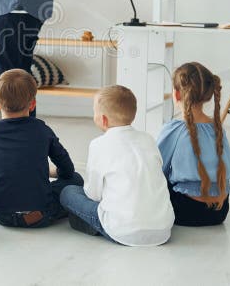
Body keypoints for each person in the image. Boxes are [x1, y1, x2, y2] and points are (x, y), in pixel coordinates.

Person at [60, 85, 173, 246]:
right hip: (162, 228)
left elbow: (93, 195)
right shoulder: (148, 139)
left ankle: (95, 226)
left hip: (122, 230)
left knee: (68, 192)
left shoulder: (99, 144)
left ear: (103, 120)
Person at [0, 69, 83, 228]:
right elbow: (66, 166)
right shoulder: (41, 130)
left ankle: (16, 213)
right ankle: (34, 213)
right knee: (76, 179)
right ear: (32, 104)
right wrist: (60, 174)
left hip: (3, 215)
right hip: (41, 213)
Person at [157, 62, 230, 226]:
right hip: (220, 211)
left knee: (158, 177)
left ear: (177, 95)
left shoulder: (174, 129)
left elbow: (157, 168)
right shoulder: (218, 128)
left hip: (186, 211)